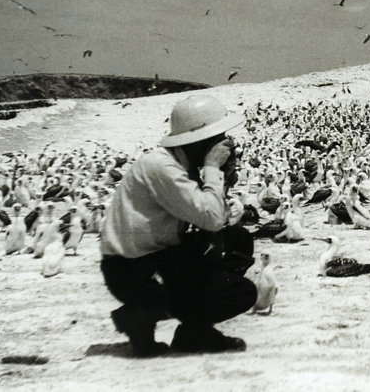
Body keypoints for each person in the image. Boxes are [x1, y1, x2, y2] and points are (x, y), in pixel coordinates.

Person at [100, 93, 257, 357]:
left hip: (151, 258)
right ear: (201, 140)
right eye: (217, 139)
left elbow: (215, 222)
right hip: (132, 271)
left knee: (237, 240)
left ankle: (194, 333)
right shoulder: (163, 167)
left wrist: (220, 176)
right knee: (239, 293)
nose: (224, 145)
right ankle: (140, 314)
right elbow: (212, 218)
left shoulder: (179, 164)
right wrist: (212, 168)